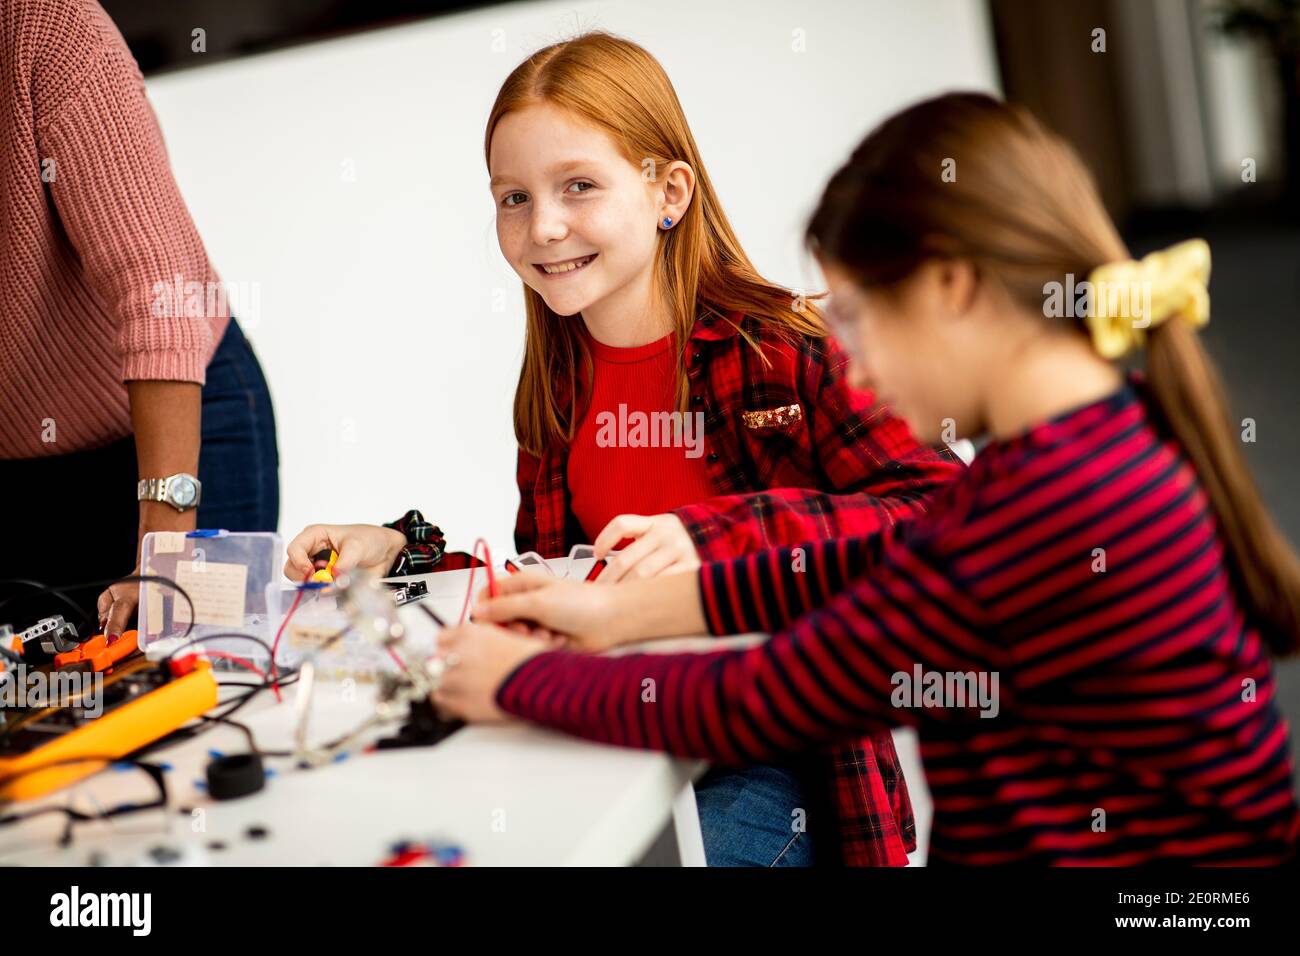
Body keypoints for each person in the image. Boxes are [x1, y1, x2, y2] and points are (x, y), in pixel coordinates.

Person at [431, 92, 1300, 864]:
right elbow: (880, 559)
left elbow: (755, 701)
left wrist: (514, 683)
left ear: (952, 289)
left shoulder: (1054, 504)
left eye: (853, 315)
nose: (852, 362)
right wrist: (622, 609)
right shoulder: (1095, 441)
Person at [284, 33, 963, 866]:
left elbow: (942, 515)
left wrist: (716, 538)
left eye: (579, 186)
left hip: (771, 754)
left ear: (668, 191)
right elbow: (566, 582)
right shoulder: (555, 388)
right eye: (512, 197)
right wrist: (404, 553)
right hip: (609, 726)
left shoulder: (784, 350)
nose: (545, 226)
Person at [0, 0, 279, 638]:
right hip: (15, 473)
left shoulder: (46, 25)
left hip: (173, 426)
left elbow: (162, 292)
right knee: (47, 716)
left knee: (205, 674)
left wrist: (165, 544)